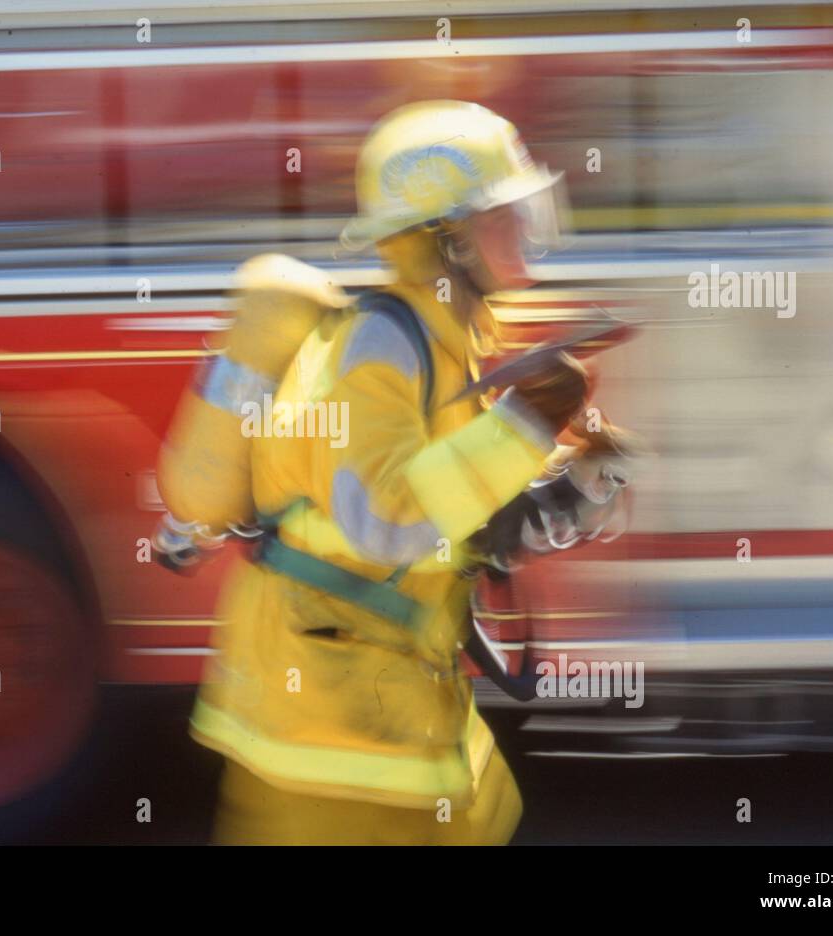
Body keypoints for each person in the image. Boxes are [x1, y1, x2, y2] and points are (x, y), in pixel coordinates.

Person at [187, 100, 593, 844]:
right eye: (502, 216)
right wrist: (525, 424)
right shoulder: (381, 345)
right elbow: (383, 520)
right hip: (328, 737)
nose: (526, 230)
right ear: (448, 240)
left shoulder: (441, 338)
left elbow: (443, 497)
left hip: (389, 701)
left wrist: (569, 481)